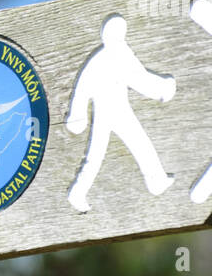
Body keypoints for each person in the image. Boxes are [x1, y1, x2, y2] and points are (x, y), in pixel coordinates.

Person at [66, 14, 175, 212]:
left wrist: (161, 89)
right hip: (106, 113)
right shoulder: (101, 58)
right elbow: (82, 88)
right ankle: (77, 193)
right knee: (96, 155)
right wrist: (77, 115)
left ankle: (156, 180)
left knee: (138, 144)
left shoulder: (123, 52)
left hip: (120, 110)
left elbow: (140, 77)